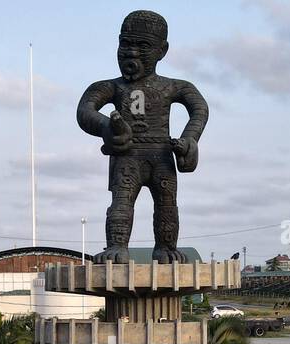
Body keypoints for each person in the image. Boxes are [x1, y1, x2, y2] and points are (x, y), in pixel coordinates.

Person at [76, 10, 208, 264]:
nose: (132, 53)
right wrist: (106, 127)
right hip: (127, 157)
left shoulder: (174, 86)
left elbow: (199, 108)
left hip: (162, 156)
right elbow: (85, 110)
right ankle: (117, 246)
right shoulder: (111, 87)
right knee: (121, 202)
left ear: (162, 50)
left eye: (142, 46)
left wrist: (190, 138)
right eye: (126, 44)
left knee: (167, 205)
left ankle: (166, 247)